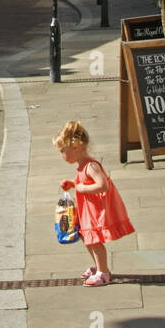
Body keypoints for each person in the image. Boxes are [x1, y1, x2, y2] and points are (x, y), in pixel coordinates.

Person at [54, 120, 134, 286]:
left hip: (95, 211)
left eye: (63, 151)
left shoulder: (90, 166)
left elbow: (103, 184)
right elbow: (87, 184)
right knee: (87, 237)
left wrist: (81, 188)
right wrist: (74, 184)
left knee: (94, 240)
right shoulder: (82, 166)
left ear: (76, 147)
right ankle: (99, 267)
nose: (62, 155)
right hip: (88, 211)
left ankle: (103, 273)